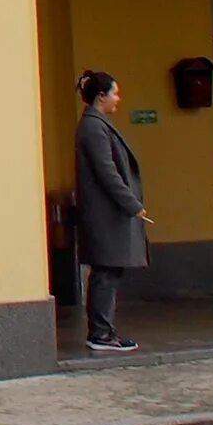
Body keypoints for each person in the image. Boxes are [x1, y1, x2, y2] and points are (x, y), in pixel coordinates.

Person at [74, 69, 148, 354]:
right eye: (115, 93)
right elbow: (107, 172)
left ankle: (104, 331)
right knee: (106, 272)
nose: (119, 98)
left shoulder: (96, 125)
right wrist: (132, 204)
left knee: (109, 271)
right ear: (101, 96)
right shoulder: (93, 127)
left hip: (107, 212)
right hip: (105, 213)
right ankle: (101, 333)